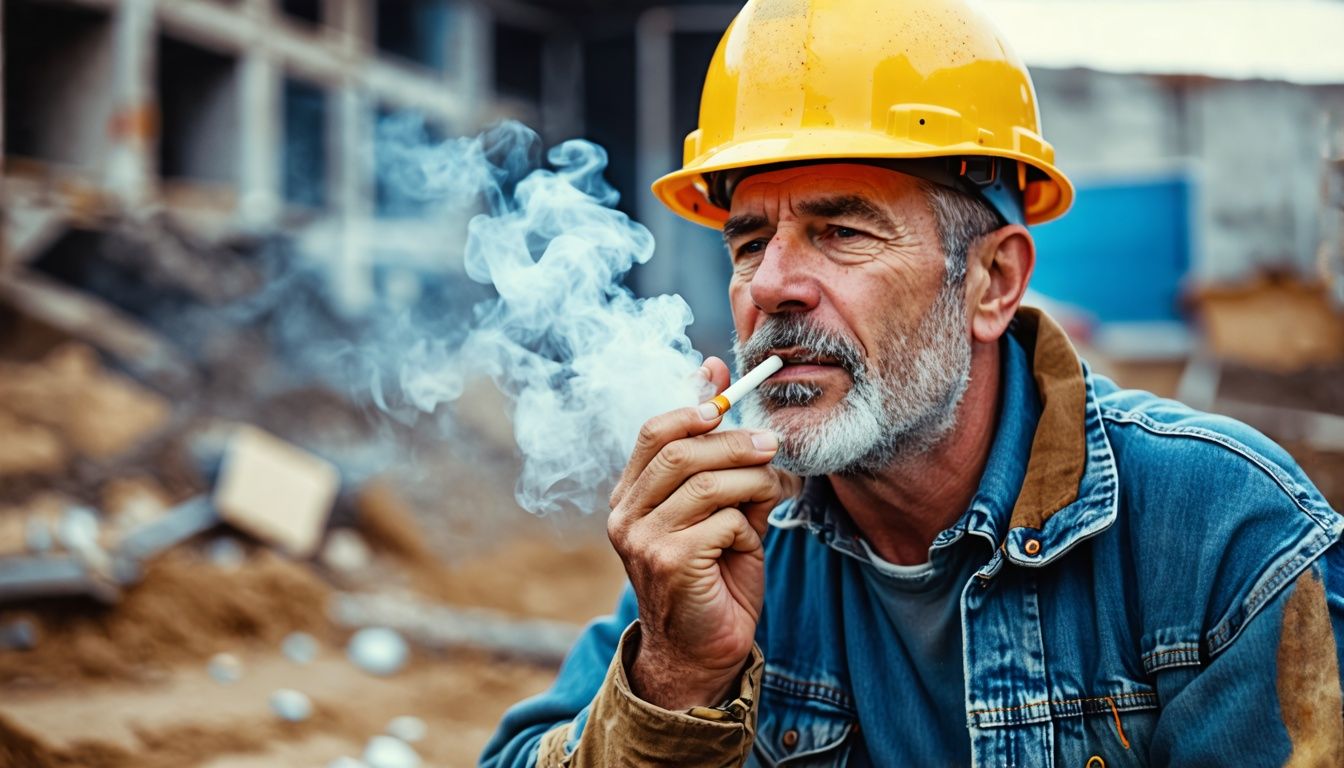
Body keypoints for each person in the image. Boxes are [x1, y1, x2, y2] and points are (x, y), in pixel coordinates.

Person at [482, 0, 1344, 764]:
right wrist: (674, 682)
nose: (773, 285)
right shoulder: (734, 543)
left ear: (992, 282)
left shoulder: (1227, 536)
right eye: (749, 242)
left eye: (842, 231)